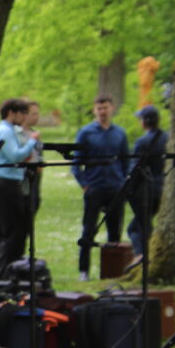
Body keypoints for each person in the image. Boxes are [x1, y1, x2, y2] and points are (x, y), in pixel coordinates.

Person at [72, 95, 129, 282]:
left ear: (112, 109)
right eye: (99, 108)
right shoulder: (86, 133)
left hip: (115, 188)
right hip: (94, 187)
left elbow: (126, 159)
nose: (102, 111)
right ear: (94, 110)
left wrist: (123, 180)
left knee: (115, 231)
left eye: (105, 108)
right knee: (89, 230)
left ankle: (112, 270)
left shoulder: (119, 133)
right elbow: (76, 162)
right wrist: (84, 184)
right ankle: (84, 271)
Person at [0, 98, 41, 280]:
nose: (25, 117)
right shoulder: (5, 131)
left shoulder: (4, 130)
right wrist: (32, 142)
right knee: (14, 231)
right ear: (12, 112)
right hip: (7, 183)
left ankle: (9, 270)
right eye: (23, 113)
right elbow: (15, 155)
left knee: (14, 230)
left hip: (7, 183)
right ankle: (3, 273)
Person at [126, 105, 169, 263]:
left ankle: (142, 256)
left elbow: (136, 168)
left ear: (144, 122)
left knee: (135, 228)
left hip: (145, 192)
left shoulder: (142, 142)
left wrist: (127, 190)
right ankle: (147, 255)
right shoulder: (168, 138)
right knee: (144, 224)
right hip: (162, 189)